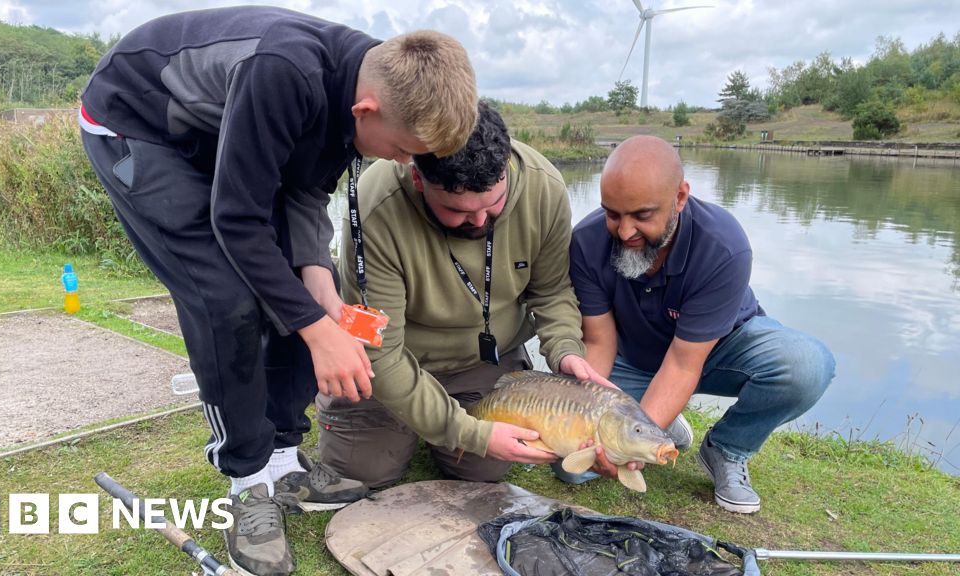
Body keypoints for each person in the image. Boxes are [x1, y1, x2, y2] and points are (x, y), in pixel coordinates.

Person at [78, 7, 478, 575]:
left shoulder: (375, 83)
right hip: (138, 123)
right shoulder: (285, 71)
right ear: (367, 110)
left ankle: (286, 461)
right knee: (225, 300)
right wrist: (318, 333)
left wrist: (319, 289)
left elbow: (305, 196)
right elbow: (236, 220)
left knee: (301, 290)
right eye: (405, 148)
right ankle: (245, 481)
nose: (406, 162)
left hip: (217, 129)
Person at [317, 102, 611, 488]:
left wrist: (566, 349)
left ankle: (437, 421)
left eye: (493, 205)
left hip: (482, 364)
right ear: (419, 180)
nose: (479, 221)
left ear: (505, 167)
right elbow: (380, 349)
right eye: (457, 210)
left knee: (483, 472)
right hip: (395, 361)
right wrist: (473, 433)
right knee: (362, 474)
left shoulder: (546, 187)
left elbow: (552, 290)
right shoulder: (372, 206)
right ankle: (390, 418)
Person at [568, 135, 835, 514]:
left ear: (680, 198)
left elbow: (682, 364)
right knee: (572, 468)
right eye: (612, 213)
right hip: (636, 358)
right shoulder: (585, 241)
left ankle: (726, 448)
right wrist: (587, 428)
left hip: (719, 351)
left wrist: (632, 445)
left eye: (642, 215)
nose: (625, 231)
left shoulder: (723, 245)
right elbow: (598, 343)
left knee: (807, 366)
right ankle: (665, 423)